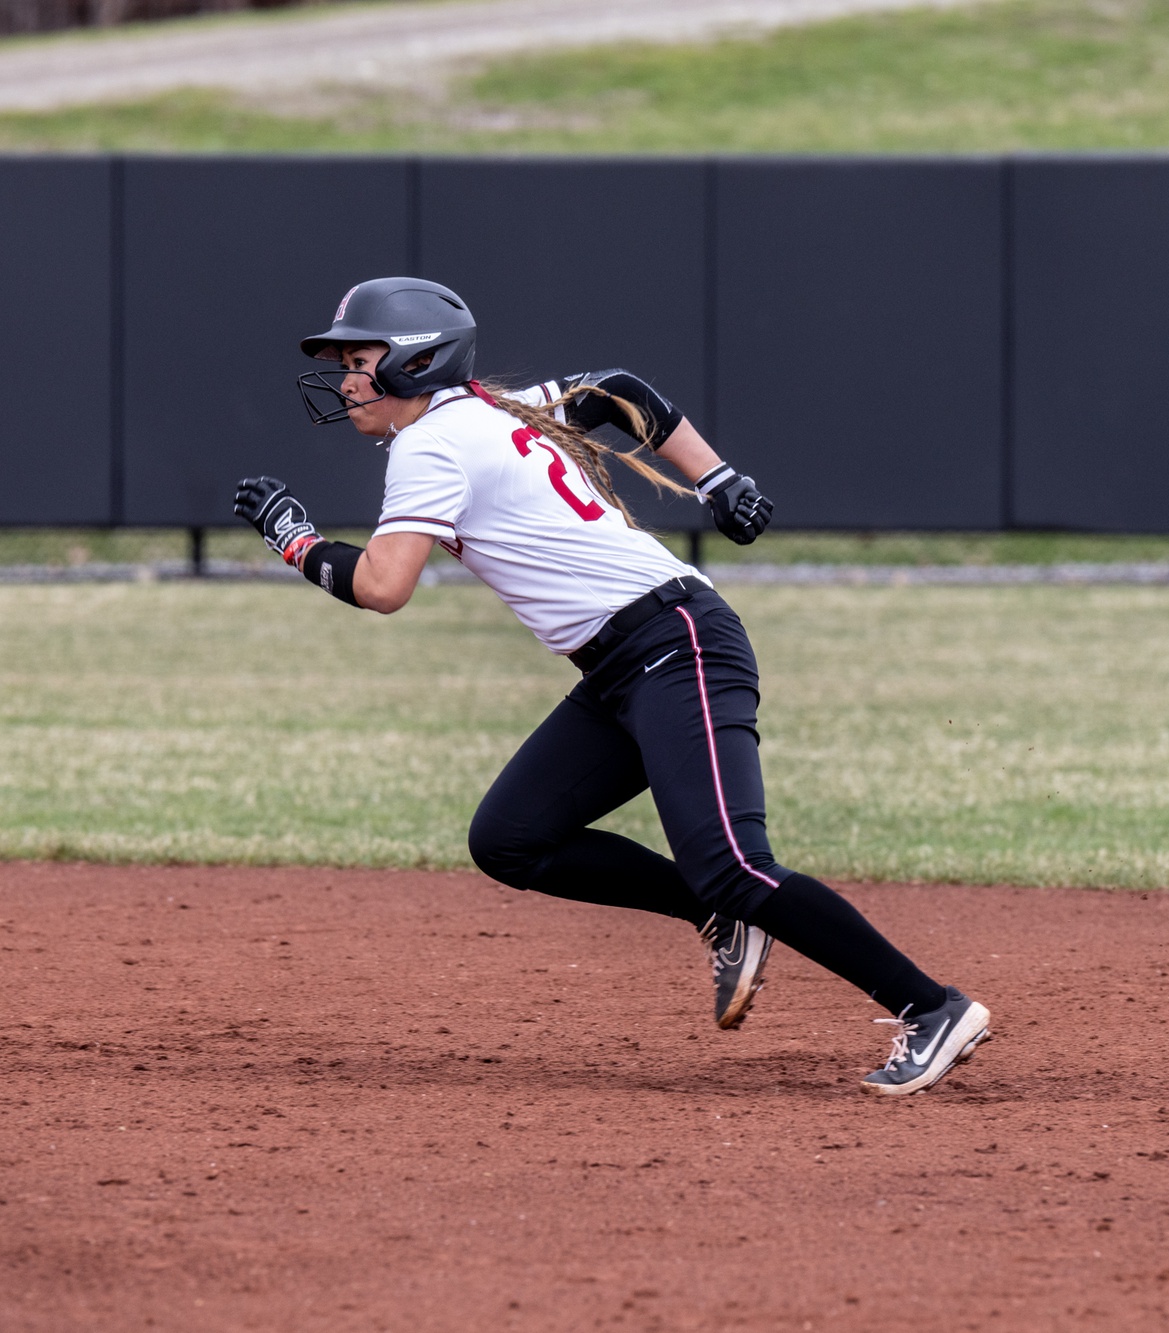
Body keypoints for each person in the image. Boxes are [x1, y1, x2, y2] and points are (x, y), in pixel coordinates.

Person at [232, 276, 990, 1095]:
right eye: (342, 360)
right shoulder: (494, 409)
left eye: (361, 356)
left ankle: (932, 1006)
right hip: (625, 667)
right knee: (512, 838)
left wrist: (294, 538)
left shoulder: (432, 442)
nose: (346, 377)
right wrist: (716, 475)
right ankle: (715, 912)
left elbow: (384, 585)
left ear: (417, 359)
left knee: (734, 861)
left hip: (677, 643)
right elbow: (618, 393)